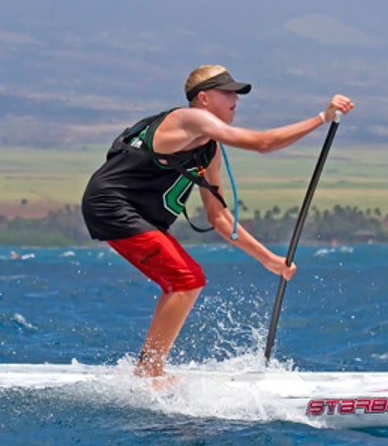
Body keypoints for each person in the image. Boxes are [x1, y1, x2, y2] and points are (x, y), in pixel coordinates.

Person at [81, 65, 354, 378]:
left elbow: (220, 217)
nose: (235, 98)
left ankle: (149, 367)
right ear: (203, 98)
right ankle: (149, 371)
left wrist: (270, 261)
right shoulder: (189, 118)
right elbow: (262, 144)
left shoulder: (209, 149)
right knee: (187, 279)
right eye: (226, 92)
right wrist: (322, 118)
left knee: (185, 280)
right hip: (111, 206)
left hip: (133, 215)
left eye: (236, 92)